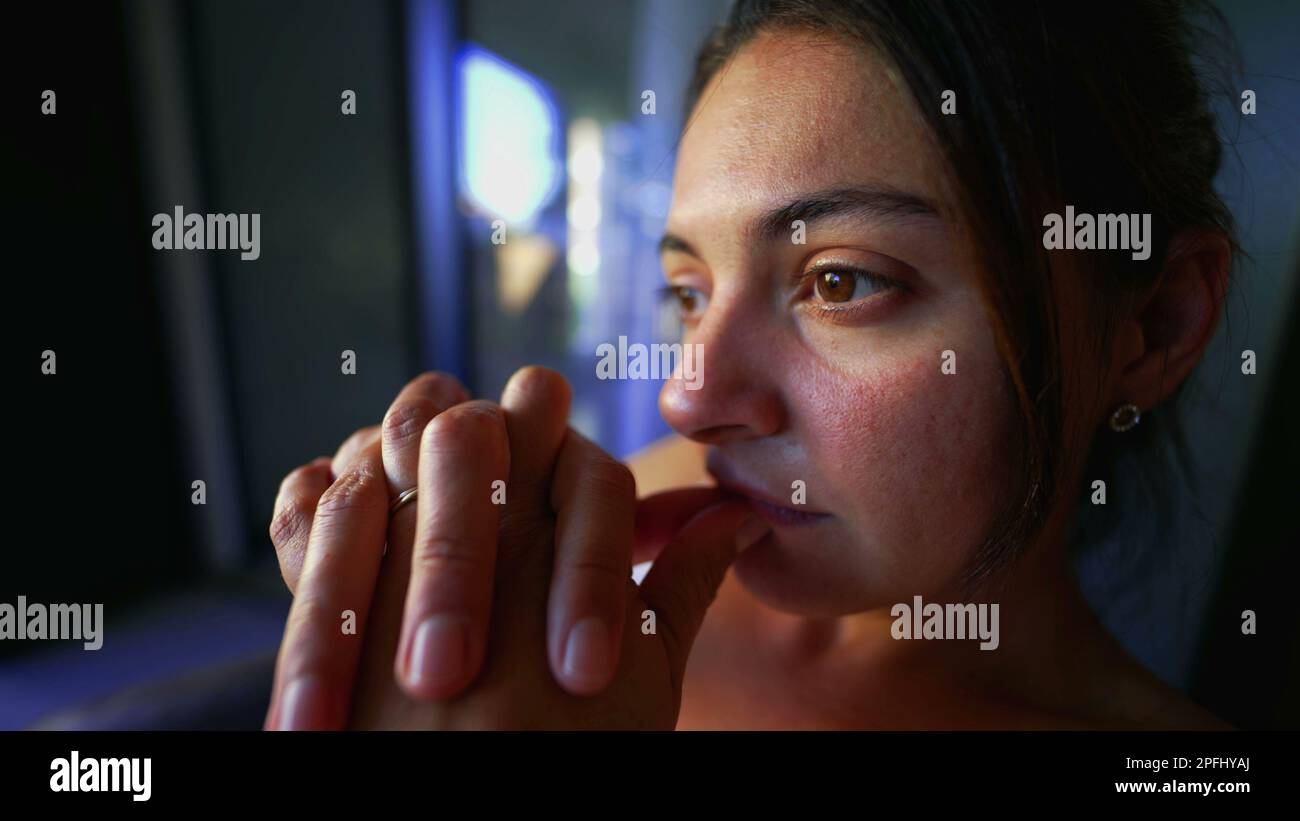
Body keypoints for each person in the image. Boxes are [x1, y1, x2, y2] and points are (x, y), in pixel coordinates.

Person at [264, 0, 1238, 729]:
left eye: (841, 282)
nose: (686, 397)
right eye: (688, 292)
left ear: (1153, 324)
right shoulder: (598, 543)